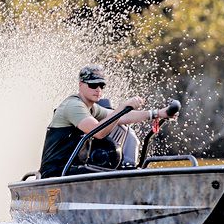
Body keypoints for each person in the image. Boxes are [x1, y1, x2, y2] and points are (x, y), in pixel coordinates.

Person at [37, 64, 173, 178]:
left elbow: (121, 117)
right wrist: (123, 107)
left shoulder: (92, 108)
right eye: (93, 85)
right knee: (111, 175)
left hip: (70, 169)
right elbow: (98, 132)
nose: (98, 90)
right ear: (81, 85)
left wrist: (157, 113)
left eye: (101, 85)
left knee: (120, 171)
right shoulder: (73, 106)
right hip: (55, 173)